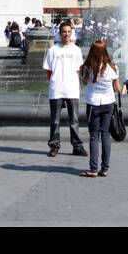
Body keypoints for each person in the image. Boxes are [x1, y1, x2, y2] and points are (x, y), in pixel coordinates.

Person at [42, 21, 87, 158]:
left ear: (71, 33)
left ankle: (77, 146)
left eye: (68, 32)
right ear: (59, 33)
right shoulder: (53, 50)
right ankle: (54, 145)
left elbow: (79, 69)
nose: (66, 34)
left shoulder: (76, 50)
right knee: (55, 120)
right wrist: (55, 82)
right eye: (64, 32)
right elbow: (48, 70)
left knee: (74, 120)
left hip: (72, 89)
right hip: (56, 89)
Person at [78, 40, 121, 178]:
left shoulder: (87, 67)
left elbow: (85, 82)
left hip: (93, 104)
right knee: (105, 135)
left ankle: (93, 168)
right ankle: (105, 168)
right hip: (109, 103)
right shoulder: (113, 67)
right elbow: (117, 88)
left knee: (94, 136)